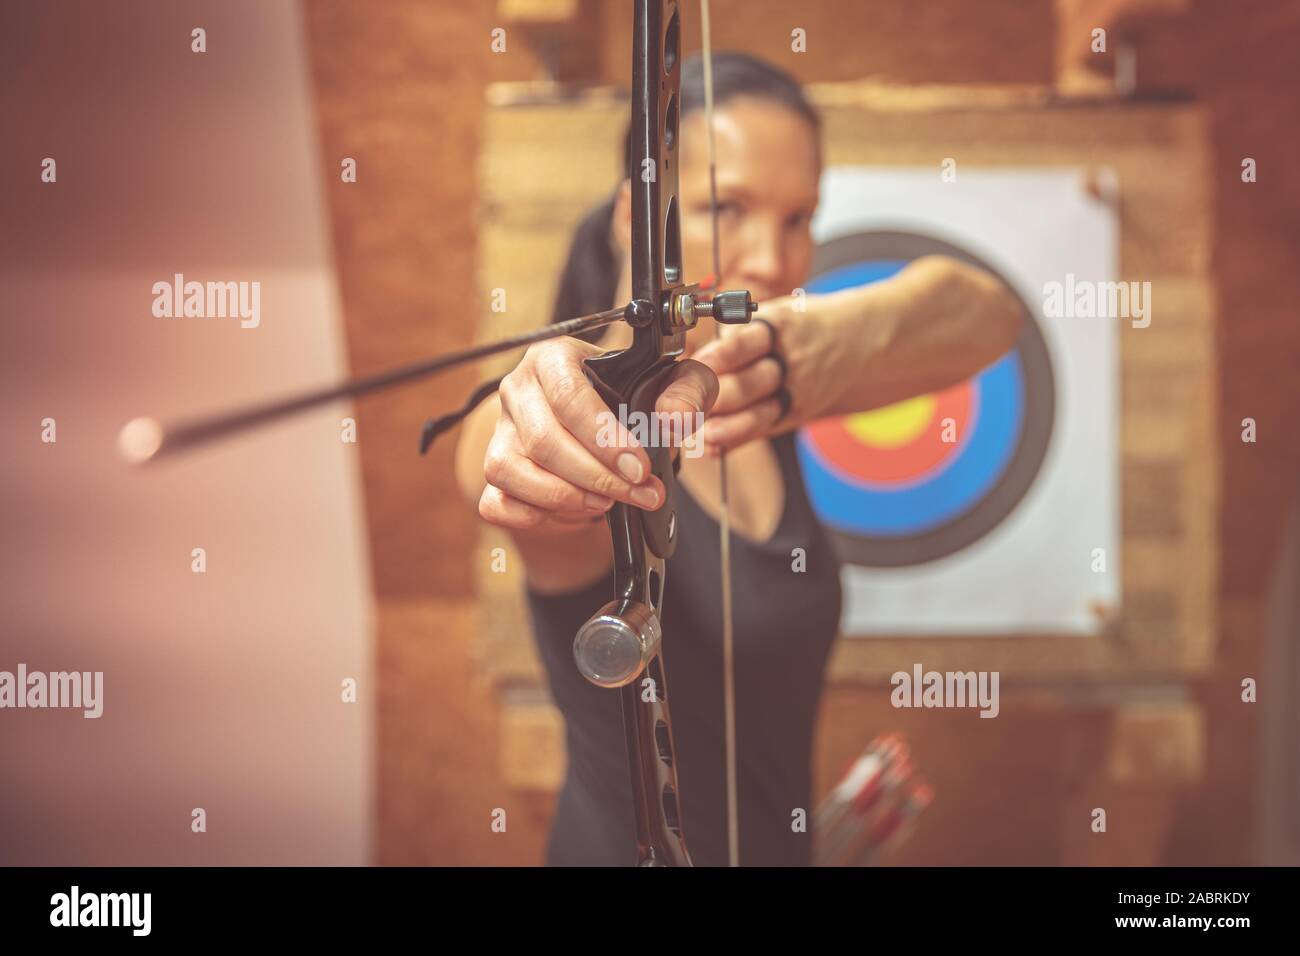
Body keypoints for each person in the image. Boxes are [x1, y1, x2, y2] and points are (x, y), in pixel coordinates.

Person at [454, 53, 1023, 865]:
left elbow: (989, 314)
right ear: (635, 216)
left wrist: (846, 333)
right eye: (726, 207)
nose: (771, 260)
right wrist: (534, 416)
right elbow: (500, 446)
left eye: (798, 219)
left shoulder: (771, 390)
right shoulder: (595, 418)